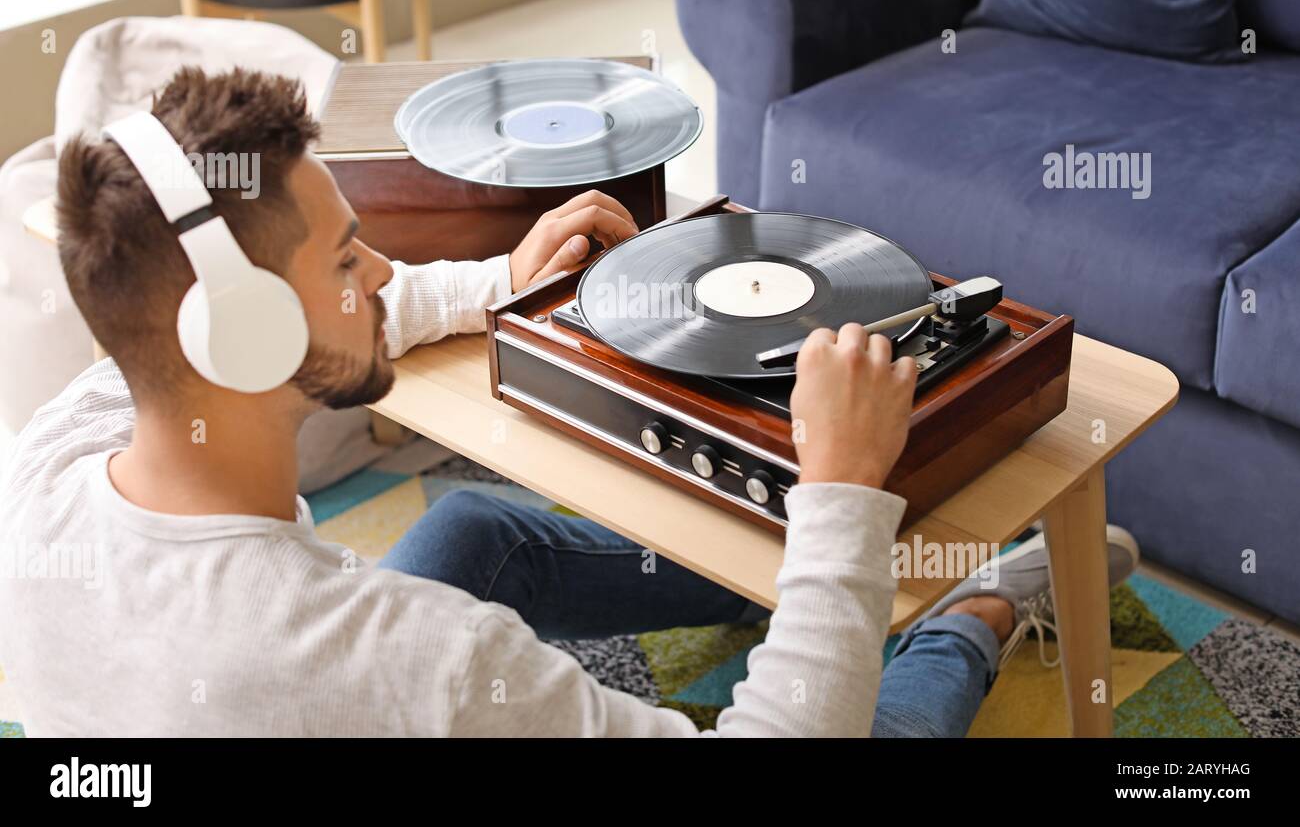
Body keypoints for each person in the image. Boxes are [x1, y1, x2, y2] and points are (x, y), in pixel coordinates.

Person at [0, 68, 1138, 736]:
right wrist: (839, 491)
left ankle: (784, 584)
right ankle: (971, 612)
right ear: (242, 330)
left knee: (464, 527)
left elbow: (313, 330)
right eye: (348, 261)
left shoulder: (50, 460)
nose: (384, 278)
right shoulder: (406, 660)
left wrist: (511, 284)